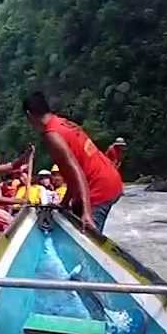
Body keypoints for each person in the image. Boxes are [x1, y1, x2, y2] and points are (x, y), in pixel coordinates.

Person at [25, 92, 123, 233]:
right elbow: (72, 175)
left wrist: (87, 213)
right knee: (75, 213)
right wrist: (64, 203)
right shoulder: (62, 122)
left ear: (29, 115)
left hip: (99, 187)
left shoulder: (51, 135)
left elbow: (77, 170)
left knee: (87, 237)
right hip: (110, 179)